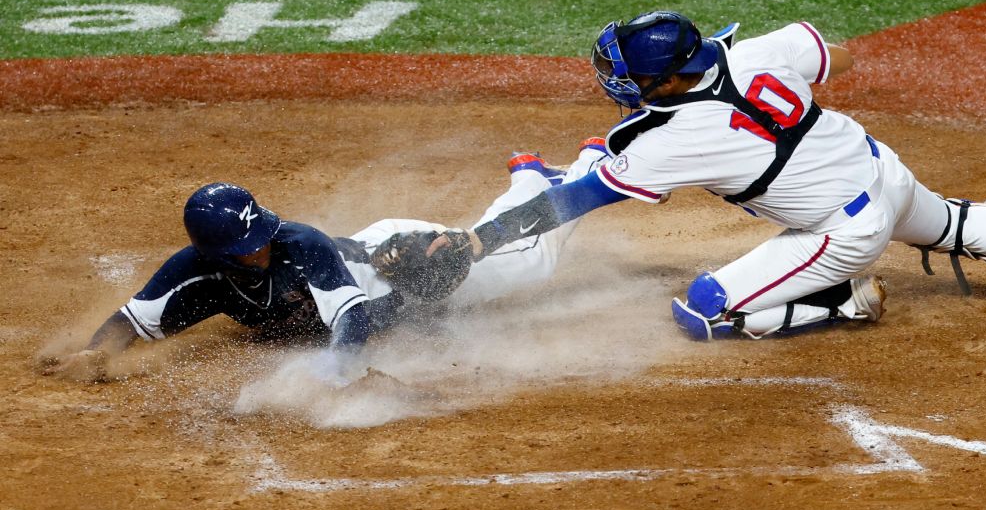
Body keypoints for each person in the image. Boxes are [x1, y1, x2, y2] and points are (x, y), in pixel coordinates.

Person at [427, 11, 986, 340]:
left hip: (843, 232)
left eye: (631, 74)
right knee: (952, 223)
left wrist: (477, 241)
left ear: (669, 79)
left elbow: (573, 201)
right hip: (880, 166)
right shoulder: (753, 51)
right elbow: (834, 50)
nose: (618, 81)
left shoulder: (665, 141)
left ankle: (845, 304)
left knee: (702, 309)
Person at [43, 142, 609, 382]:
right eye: (249, 246)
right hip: (378, 266)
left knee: (533, 260)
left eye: (262, 234)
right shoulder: (192, 271)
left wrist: (334, 374)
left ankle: (586, 165)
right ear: (218, 256)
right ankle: (531, 173)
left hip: (402, 264)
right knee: (519, 253)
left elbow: (353, 321)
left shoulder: (300, 243)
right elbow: (132, 320)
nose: (264, 246)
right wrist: (96, 355)